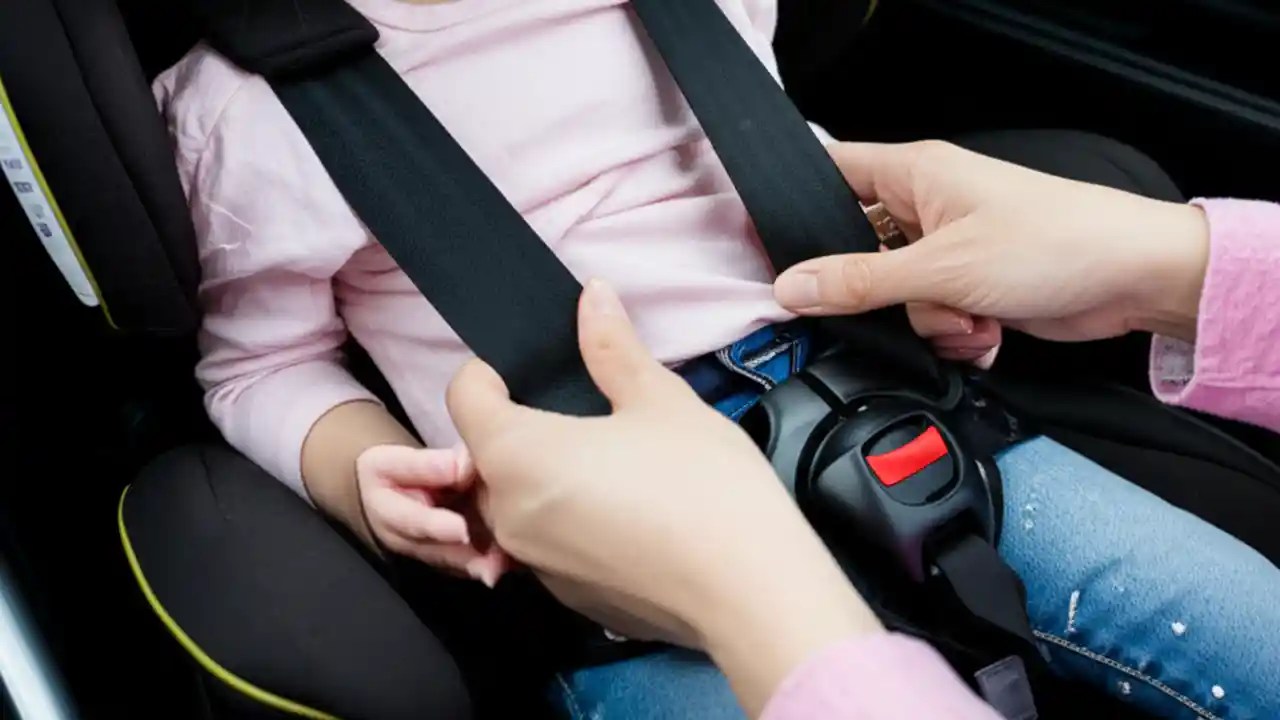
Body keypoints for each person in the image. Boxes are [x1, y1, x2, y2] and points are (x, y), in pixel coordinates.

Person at [157, 0, 1279, 715]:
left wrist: (893, 261)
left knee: (1252, 625)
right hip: (610, 553)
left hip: (881, 402)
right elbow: (259, 362)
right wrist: (361, 469)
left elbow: (765, 149)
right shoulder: (247, 110)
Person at [445, 140, 1280, 719]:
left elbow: (751, 136)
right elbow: (302, 355)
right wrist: (361, 473)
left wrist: (872, 244)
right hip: (606, 536)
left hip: (889, 399)